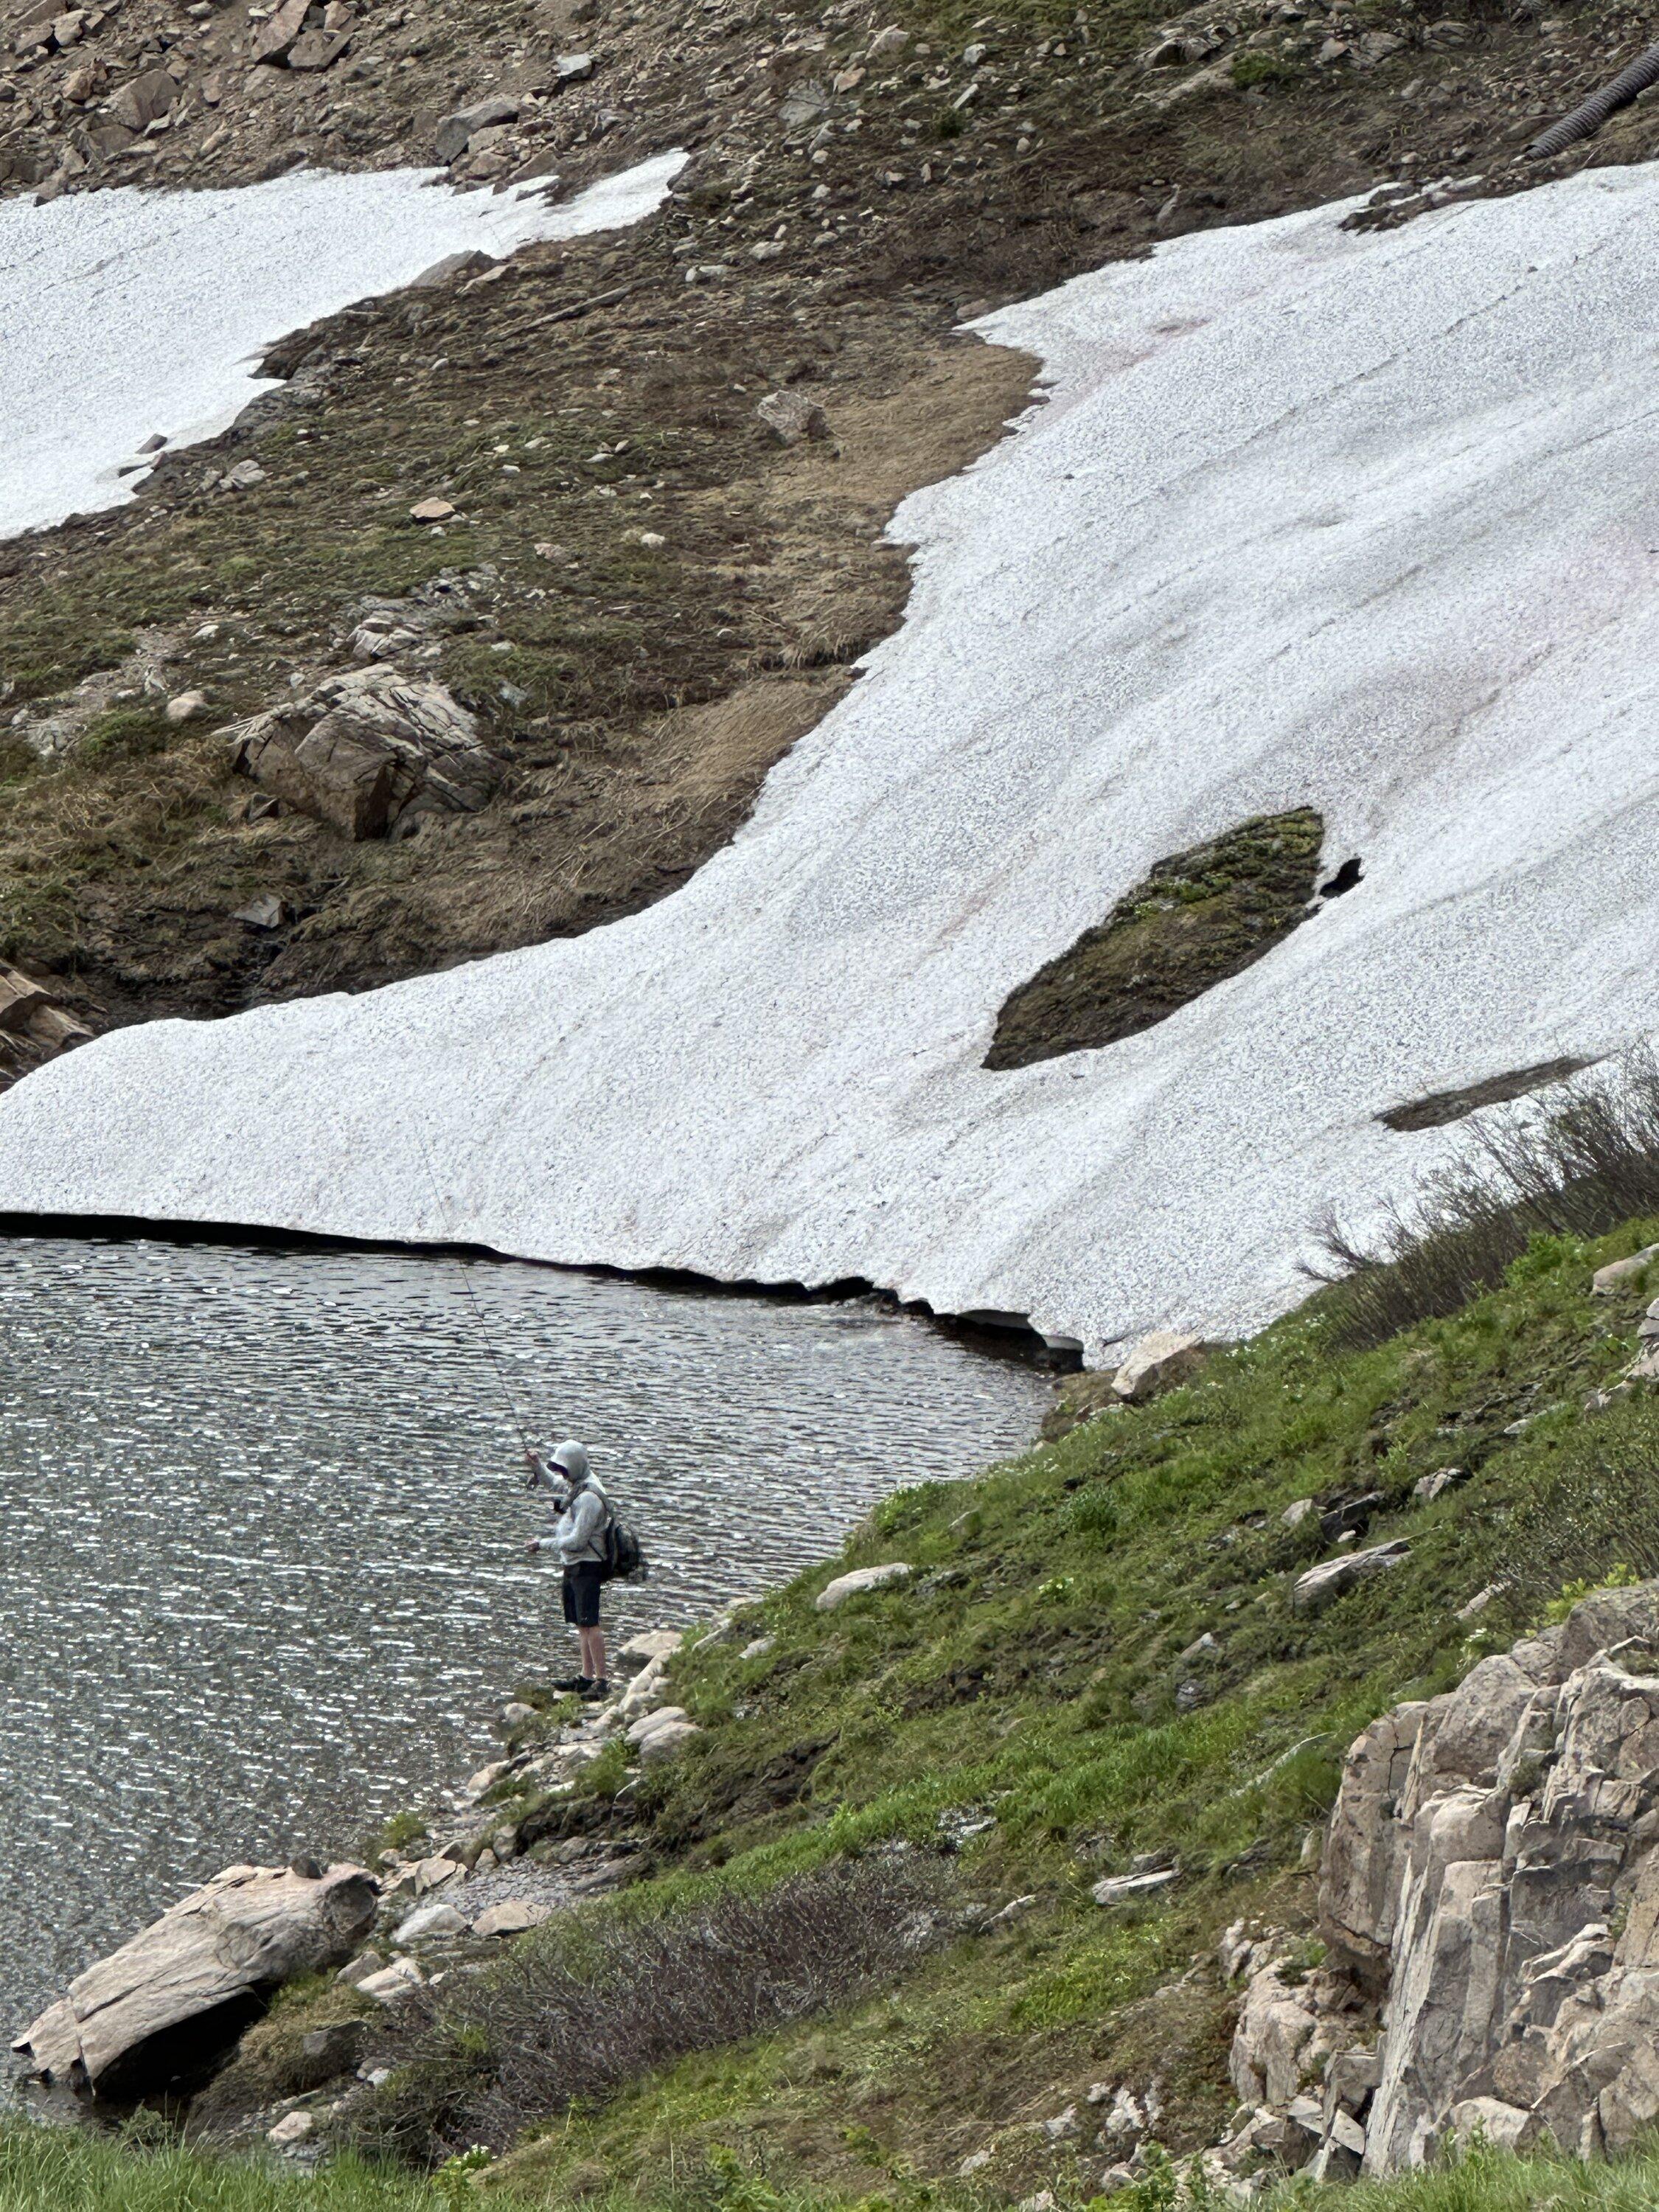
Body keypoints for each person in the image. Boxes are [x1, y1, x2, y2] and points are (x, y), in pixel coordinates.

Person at [524, 1438, 610, 1699]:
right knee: (581, 1624)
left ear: (575, 1467)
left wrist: (543, 1544)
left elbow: (578, 1541)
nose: (562, 1475)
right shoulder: (579, 1482)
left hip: (587, 1565)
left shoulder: (589, 1498)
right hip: (574, 1564)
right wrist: (539, 1467)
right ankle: (586, 1677)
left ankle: (602, 1681)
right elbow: (557, 1484)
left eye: (564, 1469)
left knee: (590, 1623)